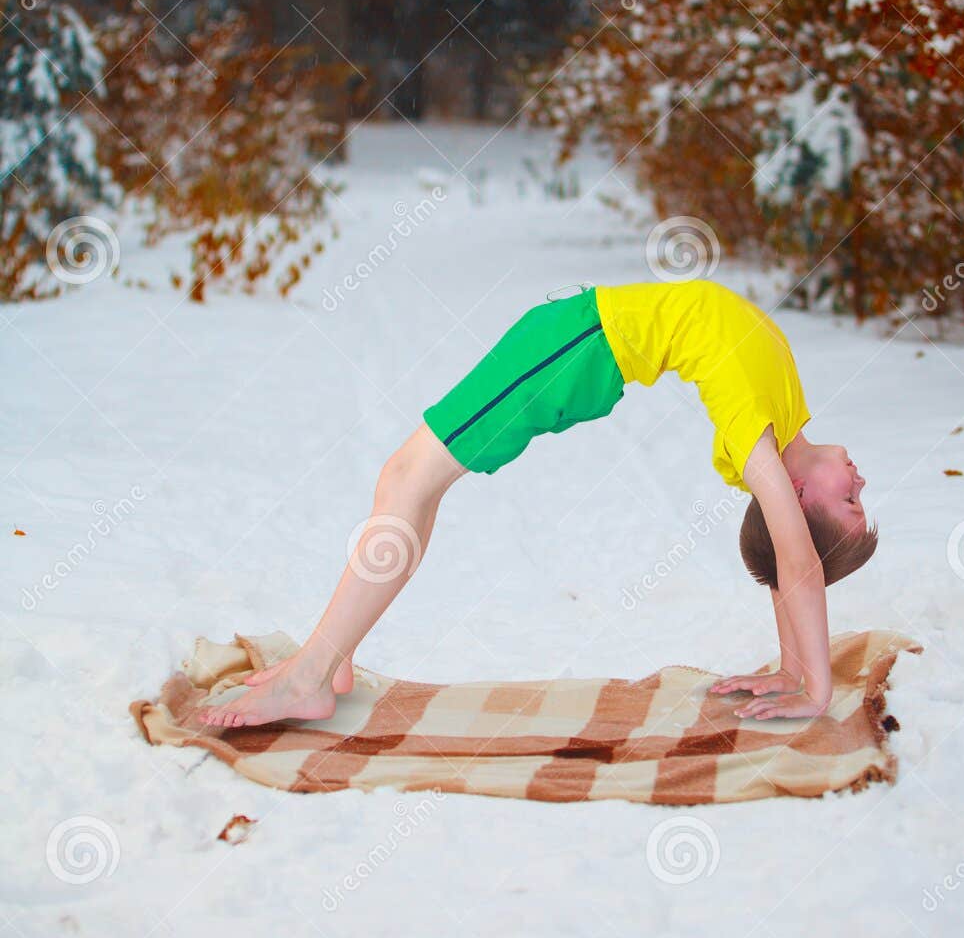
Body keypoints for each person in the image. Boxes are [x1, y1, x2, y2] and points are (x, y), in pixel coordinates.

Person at [199, 279, 877, 729]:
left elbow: (795, 558)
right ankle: (331, 655)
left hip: (571, 351)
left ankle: (312, 675)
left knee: (409, 476)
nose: (860, 484)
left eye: (848, 504)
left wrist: (811, 687)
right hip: (572, 339)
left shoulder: (753, 431)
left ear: (794, 497)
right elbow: (788, 555)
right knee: (407, 480)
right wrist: (791, 667)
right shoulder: (782, 419)